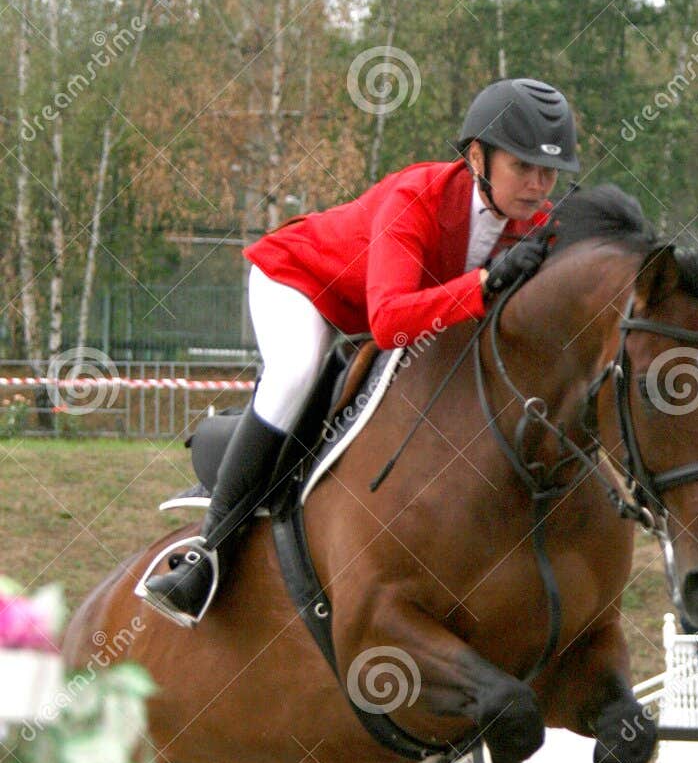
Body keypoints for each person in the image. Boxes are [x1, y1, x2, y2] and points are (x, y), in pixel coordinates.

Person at [141, 77, 580, 625]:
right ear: (477, 157)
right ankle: (207, 556)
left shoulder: (533, 227)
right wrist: (485, 284)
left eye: (549, 172)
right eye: (524, 167)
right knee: (298, 371)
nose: (539, 186)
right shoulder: (415, 196)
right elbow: (392, 321)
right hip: (302, 284)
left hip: (367, 316)